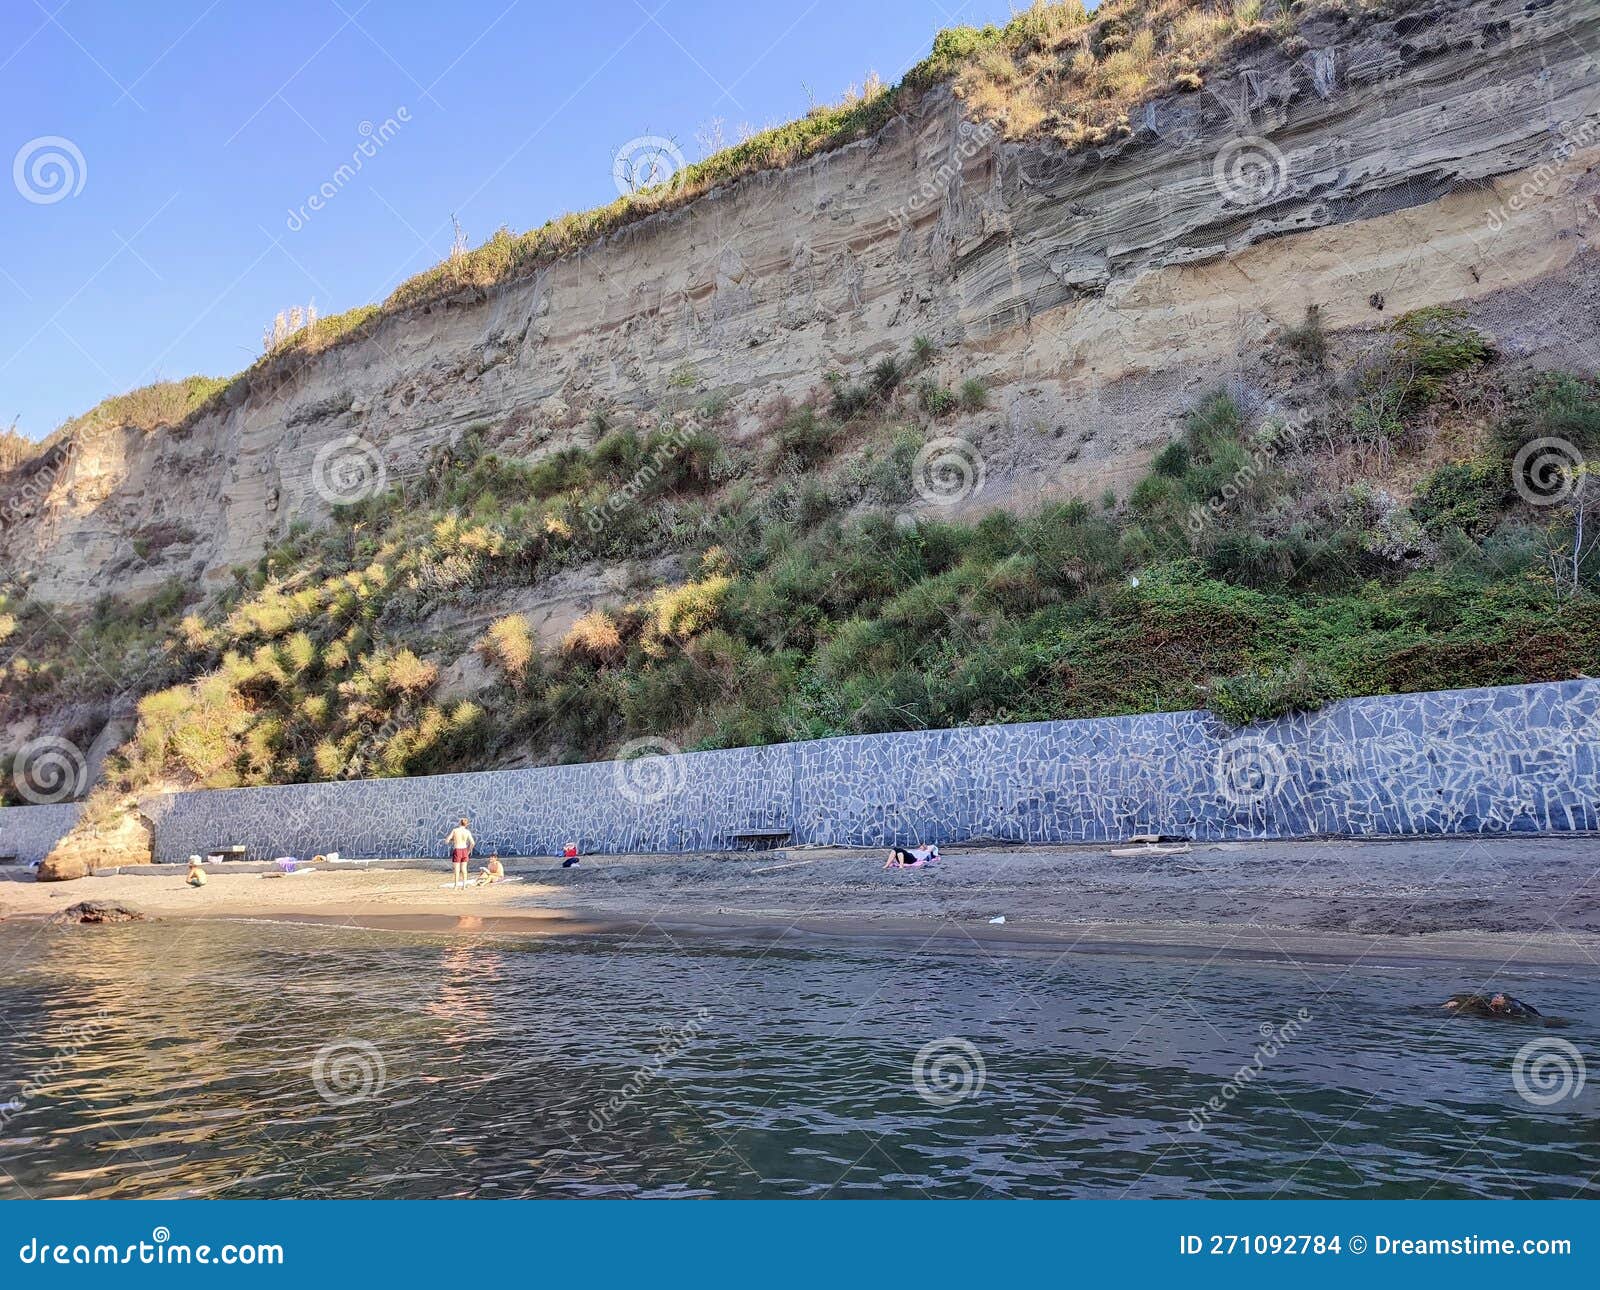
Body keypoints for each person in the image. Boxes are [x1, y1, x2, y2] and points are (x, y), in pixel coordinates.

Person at [445, 818, 475, 889]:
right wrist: (469, 851)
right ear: (466, 824)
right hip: (464, 850)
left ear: (459, 823)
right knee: (464, 869)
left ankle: (456, 886)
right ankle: (464, 886)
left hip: (457, 849)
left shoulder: (455, 830)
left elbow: (447, 841)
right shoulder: (467, 832)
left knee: (457, 869)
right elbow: (473, 843)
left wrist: (452, 840)